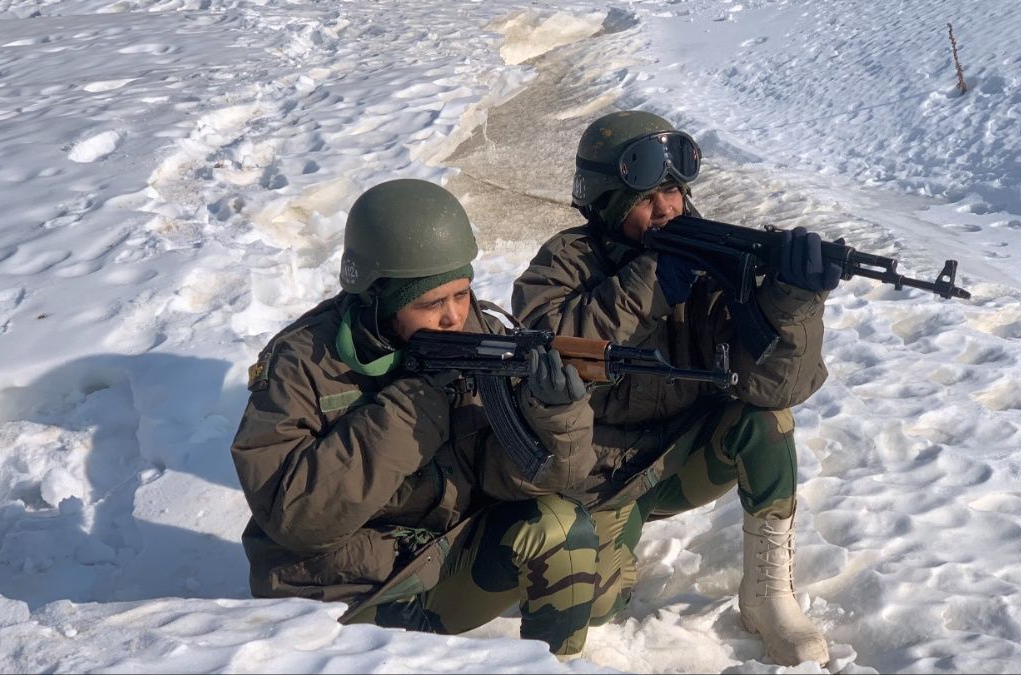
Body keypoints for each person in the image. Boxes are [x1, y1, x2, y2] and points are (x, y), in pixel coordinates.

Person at [511, 111, 839, 666]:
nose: (669, 208)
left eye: (675, 191)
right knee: (595, 607)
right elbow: (552, 343)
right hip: (599, 476)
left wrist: (790, 302)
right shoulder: (564, 262)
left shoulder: (705, 261)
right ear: (608, 202)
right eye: (648, 197)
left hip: (680, 455)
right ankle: (615, 544)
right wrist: (650, 284)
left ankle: (768, 597)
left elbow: (772, 384)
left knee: (767, 422)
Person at [230, 178, 603, 656]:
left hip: (437, 562)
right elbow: (299, 520)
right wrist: (415, 405)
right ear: (379, 299)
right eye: (430, 303)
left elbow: (531, 475)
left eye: (462, 294)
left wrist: (556, 416)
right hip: (338, 603)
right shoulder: (300, 364)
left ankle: (553, 666)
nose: (453, 317)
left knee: (563, 525)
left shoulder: (476, 335)